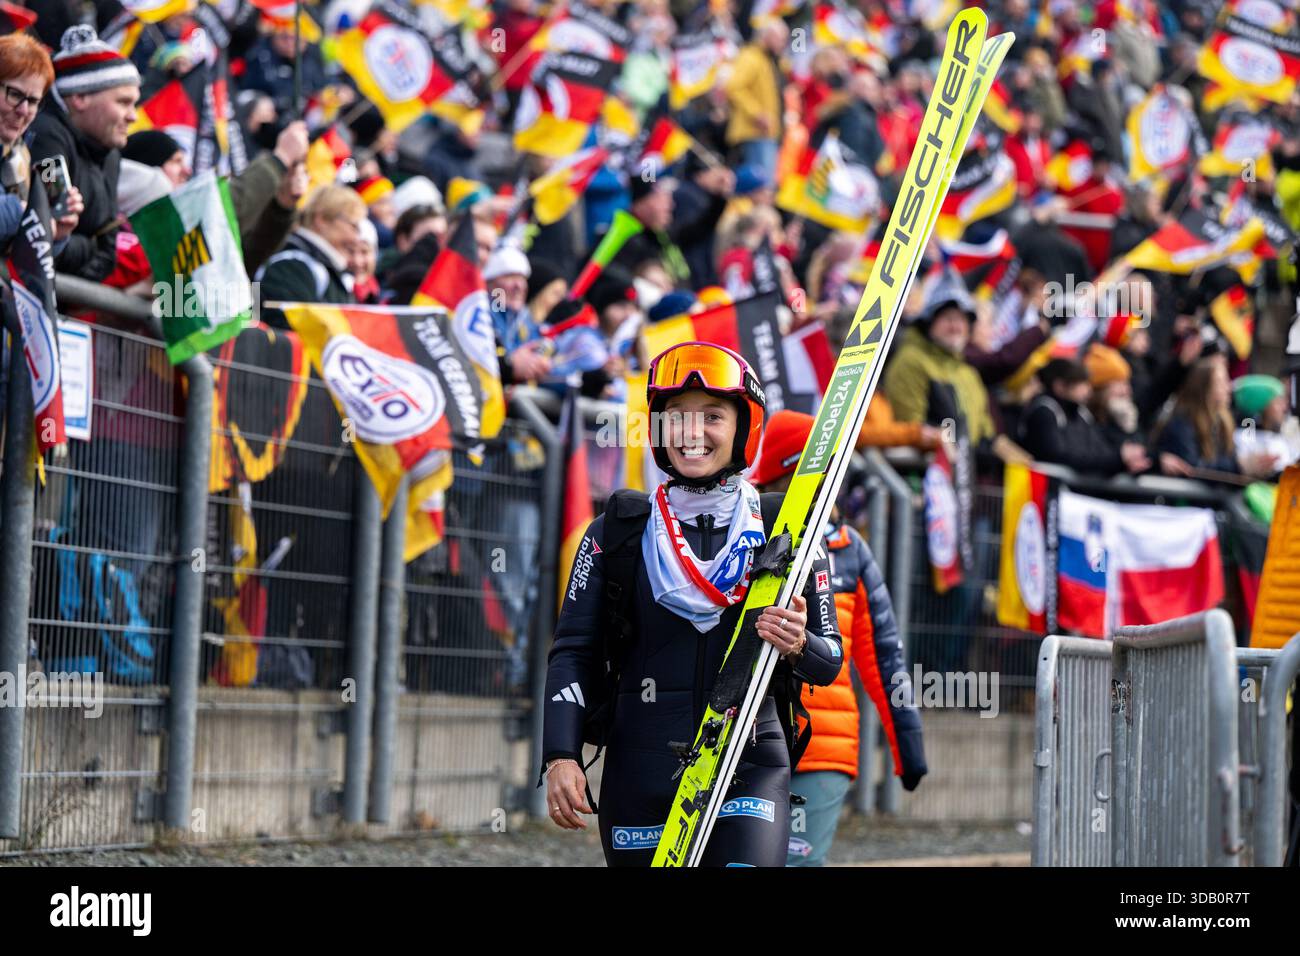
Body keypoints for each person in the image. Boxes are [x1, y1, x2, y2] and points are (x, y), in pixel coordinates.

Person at [542, 342, 843, 867]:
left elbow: (828, 660)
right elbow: (572, 651)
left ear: (743, 427)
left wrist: (796, 645)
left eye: (712, 417)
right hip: (638, 770)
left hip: (749, 766)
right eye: (676, 417)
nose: (692, 433)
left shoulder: (789, 526)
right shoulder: (613, 531)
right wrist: (560, 756)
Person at [750, 411, 927, 867]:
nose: (835, 482)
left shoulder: (851, 551)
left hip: (822, 745)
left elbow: (884, 656)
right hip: (743, 742)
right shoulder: (744, 539)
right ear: (787, 473)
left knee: (797, 863)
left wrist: (908, 748)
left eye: (838, 468)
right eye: (822, 468)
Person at [29, 25, 140, 281]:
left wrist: (81, 247)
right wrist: (85, 246)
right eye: (123, 102)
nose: (133, 116)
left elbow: (108, 250)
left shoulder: (110, 153)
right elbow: (45, 238)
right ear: (79, 97)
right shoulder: (45, 137)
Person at [0, 31, 80, 248]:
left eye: (34, 101)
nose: (24, 110)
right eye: (15, 94)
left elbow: (28, 262)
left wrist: (57, 233)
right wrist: (31, 213)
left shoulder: (19, 156)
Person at [1018, 358, 1151, 477]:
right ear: (1060, 386)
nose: (1088, 390)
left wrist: (1123, 462)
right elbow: (1059, 456)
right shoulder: (1044, 412)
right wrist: (1117, 459)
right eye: (1081, 384)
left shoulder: (1081, 413)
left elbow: (1098, 450)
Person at [255, 183, 364, 328]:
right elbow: (290, 333)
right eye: (353, 226)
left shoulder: (328, 270)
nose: (356, 239)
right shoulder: (290, 266)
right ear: (322, 220)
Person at [1155, 355, 1277, 480]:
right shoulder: (1181, 423)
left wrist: (1255, 467)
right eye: (1221, 382)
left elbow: (1228, 460)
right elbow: (1191, 467)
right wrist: (1239, 465)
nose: (1228, 387)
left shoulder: (1223, 422)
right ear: (1204, 388)